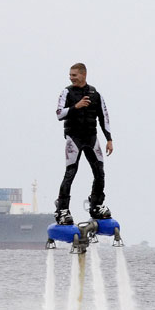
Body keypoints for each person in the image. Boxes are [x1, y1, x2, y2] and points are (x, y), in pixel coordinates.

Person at [54, 62, 114, 225]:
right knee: (71, 173)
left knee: (99, 172)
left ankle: (96, 205)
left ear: (83, 75)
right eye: (70, 75)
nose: (71, 77)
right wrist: (76, 106)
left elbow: (104, 117)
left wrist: (109, 139)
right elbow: (59, 114)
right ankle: (62, 209)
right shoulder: (66, 92)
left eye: (74, 75)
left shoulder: (96, 94)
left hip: (91, 138)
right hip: (74, 138)